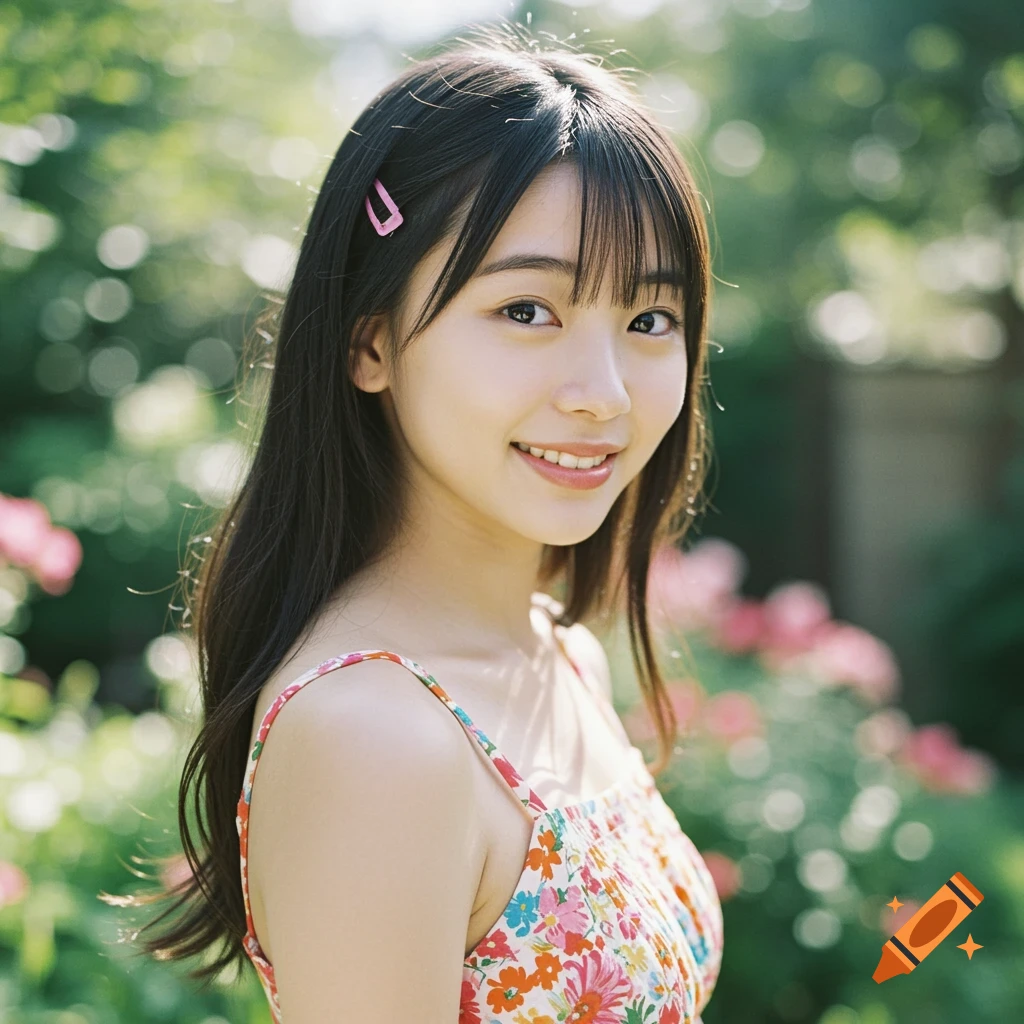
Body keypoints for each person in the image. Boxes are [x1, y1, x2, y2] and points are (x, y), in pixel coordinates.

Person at [117, 23, 723, 1023]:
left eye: (648, 319)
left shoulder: (552, 648)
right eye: (526, 309)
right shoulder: (376, 738)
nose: (604, 394)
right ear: (371, 342)